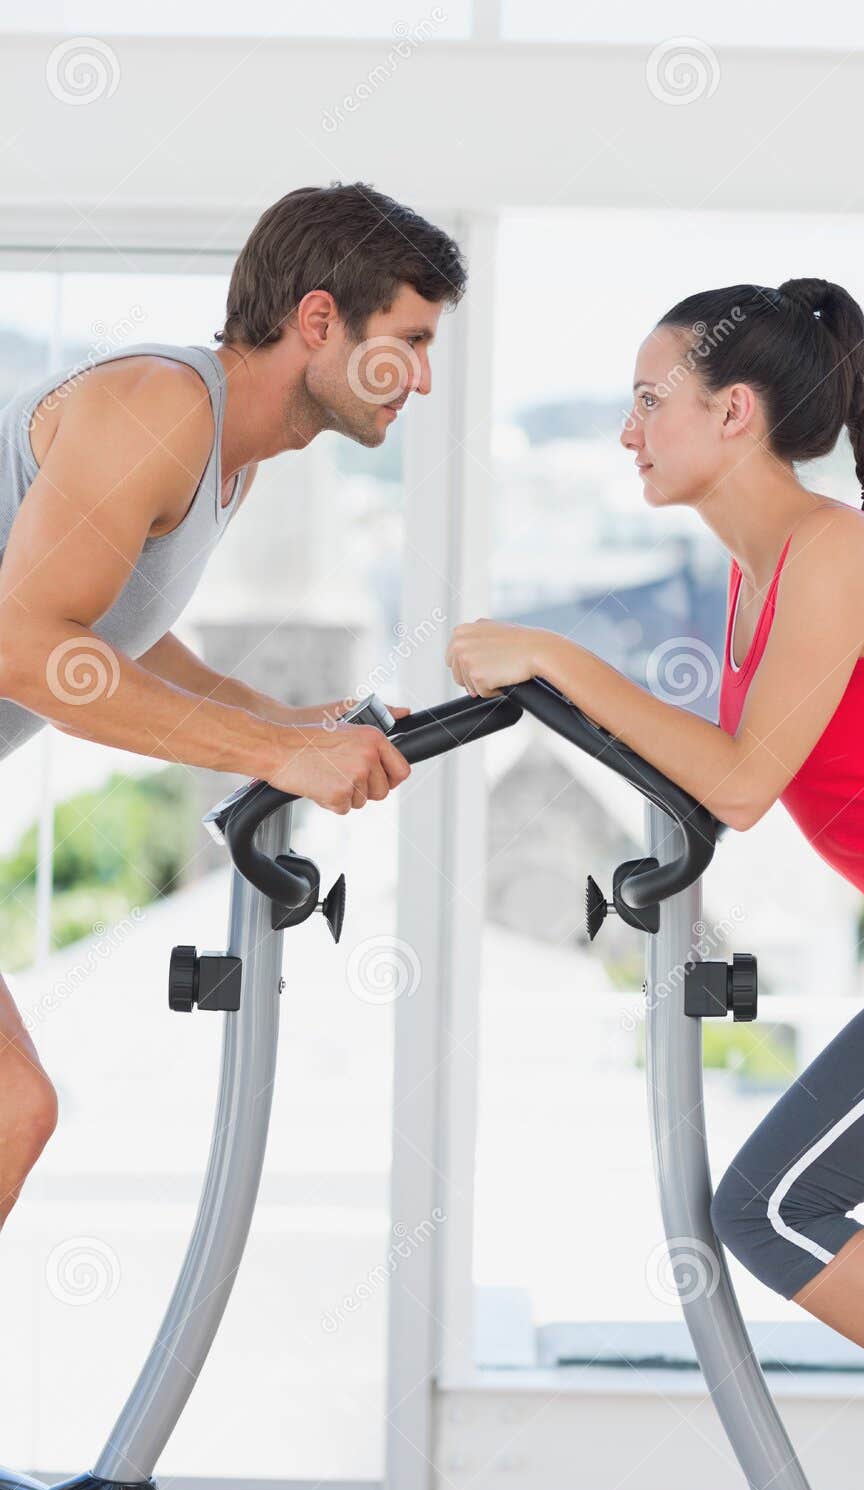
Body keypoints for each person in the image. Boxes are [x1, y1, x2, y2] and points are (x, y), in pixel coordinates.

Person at [446, 277, 864, 1490]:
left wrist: (554, 658)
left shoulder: (830, 552)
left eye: (645, 400)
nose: (625, 432)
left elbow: (739, 778)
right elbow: (737, 768)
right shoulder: (754, 576)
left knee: (771, 1206)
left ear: (731, 412)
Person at [0, 180, 468, 1227]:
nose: (423, 380)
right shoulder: (157, 407)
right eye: (408, 340)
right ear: (316, 321)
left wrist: (288, 726)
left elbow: (115, 629)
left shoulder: (231, 458)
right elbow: (27, 648)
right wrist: (271, 748)